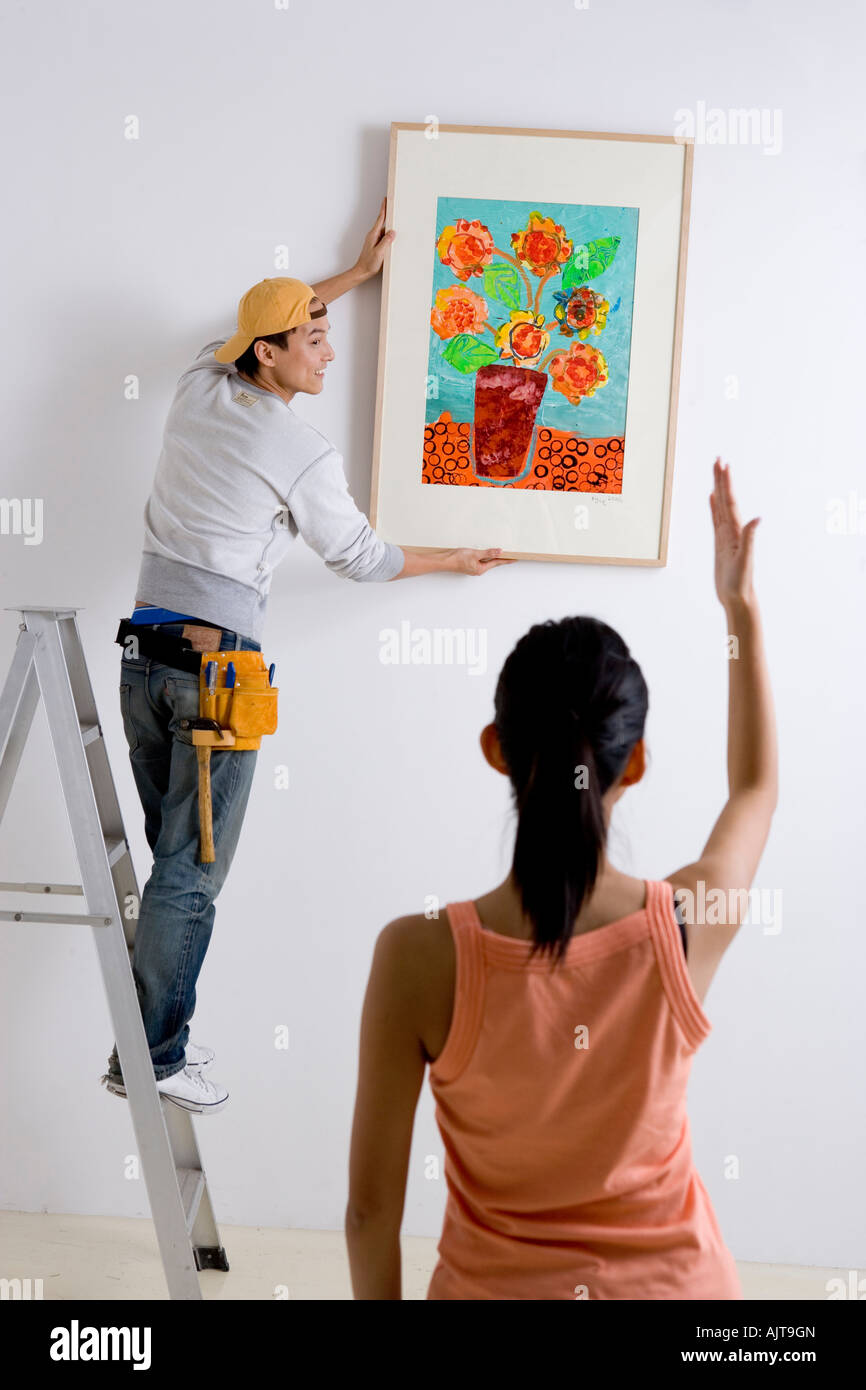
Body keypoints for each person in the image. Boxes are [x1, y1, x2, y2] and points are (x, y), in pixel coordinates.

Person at [103, 198, 512, 1114]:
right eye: (314, 339)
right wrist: (453, 558)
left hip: (143, 662)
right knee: (189, 878)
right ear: (271, 355)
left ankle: (144, 1043)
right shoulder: (297, 447)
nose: (329, 350)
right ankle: (152, 1057)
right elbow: (361, 557)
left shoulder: (197, 384)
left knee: (172, 864)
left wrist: (351, 280)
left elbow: (251, 331)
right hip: (217, 680)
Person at [346, 458, 777, 1300]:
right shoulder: (688, 922)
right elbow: (755, 790)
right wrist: (740, 611)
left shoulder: (417, 957)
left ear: (495, 748)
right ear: (637, 761)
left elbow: (371, 1213)